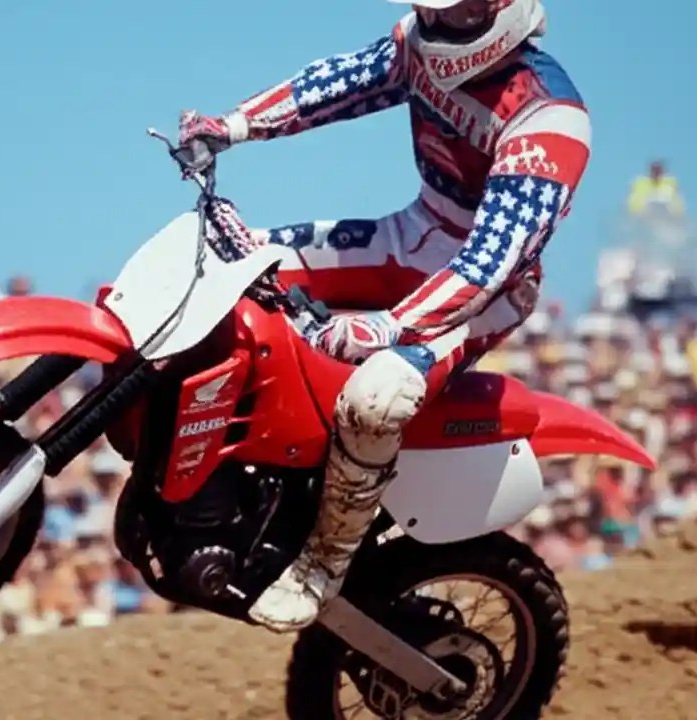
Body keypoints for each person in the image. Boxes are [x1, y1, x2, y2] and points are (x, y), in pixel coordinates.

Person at [177, 0, 591, 632]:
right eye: (433, 8)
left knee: (378, 394)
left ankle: (323, 562)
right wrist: (231, 126)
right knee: (221, 260)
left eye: (459, 11)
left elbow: (489, 261)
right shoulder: (416, 44)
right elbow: (339, 84)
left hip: (489, 291)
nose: (440, 20)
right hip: (414, 232)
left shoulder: (548, 119)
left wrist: (392, 326)